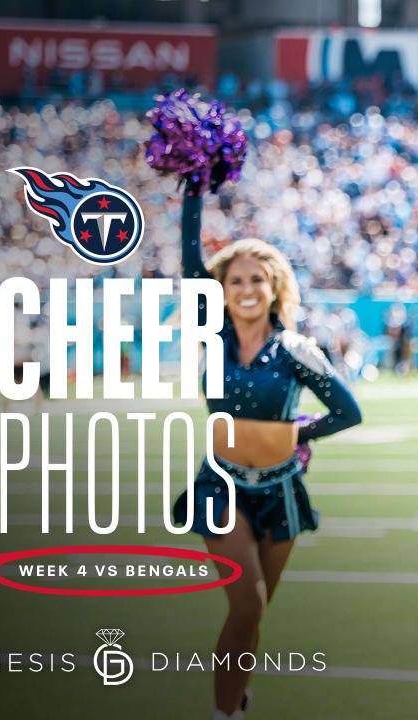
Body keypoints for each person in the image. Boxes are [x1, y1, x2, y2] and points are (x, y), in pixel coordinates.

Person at [172, 187, 363, 720]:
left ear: (274, 285)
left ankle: (234, 699)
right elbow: (191, 264)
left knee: (253, 618)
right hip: (222, 486)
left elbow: (349, 412)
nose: (248, 287)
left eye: (257, 278)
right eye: (236, 280)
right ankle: (223, 712)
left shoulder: (298, 350)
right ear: (222, 291)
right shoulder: (209, 338)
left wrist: (297, 436)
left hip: (280, 490)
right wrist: (193, 187)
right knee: (247, 603)